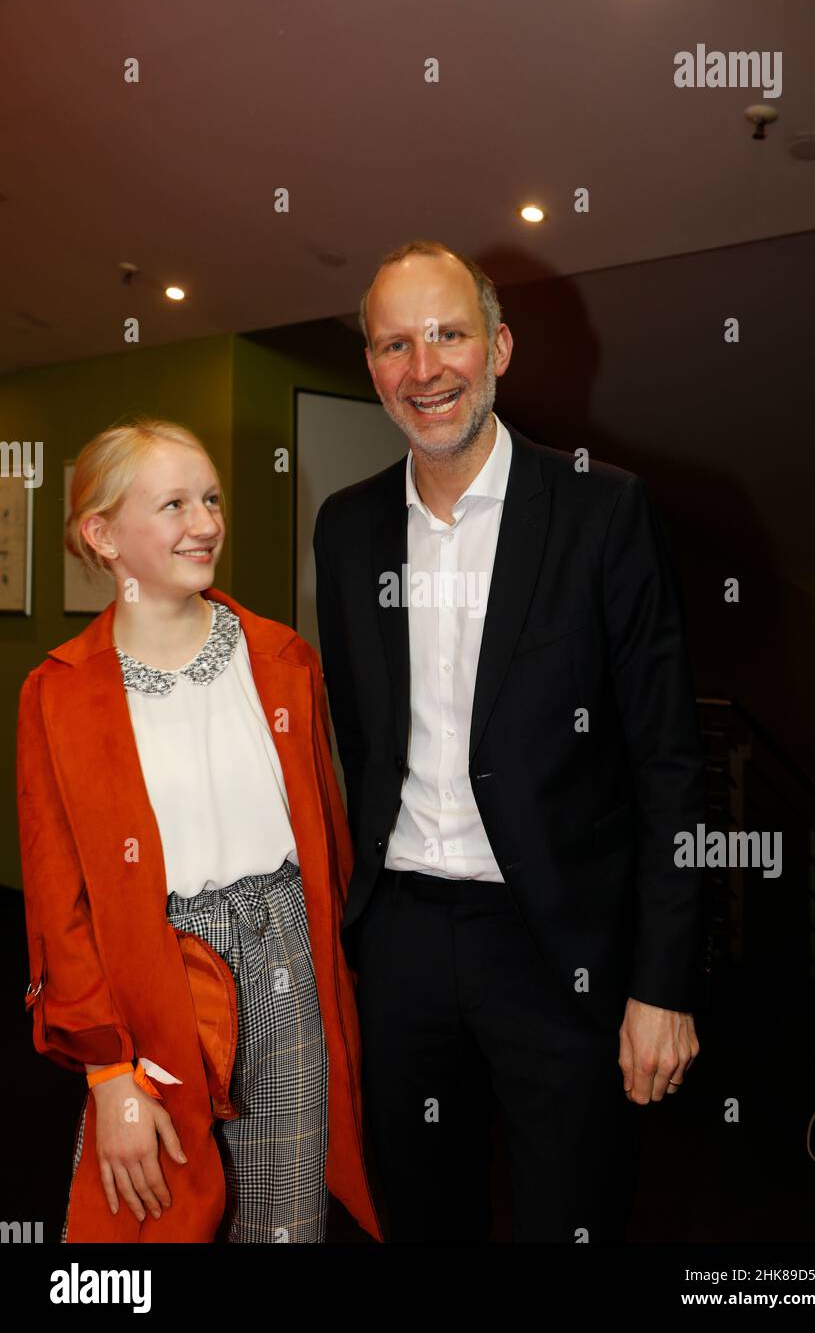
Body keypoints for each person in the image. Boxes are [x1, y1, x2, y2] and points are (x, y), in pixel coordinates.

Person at [313, 240, 710, 1243]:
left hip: (557, 948)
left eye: (448, 333)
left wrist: (659, 983)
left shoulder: (602, 509)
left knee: (568, 1215)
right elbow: (360, 739)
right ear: (371, 368)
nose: (424, 366)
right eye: (394, 343)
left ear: (498, 347)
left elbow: (667, 762)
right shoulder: (346, 528)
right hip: (400, 941)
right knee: (419, 1212)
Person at [17, 418, 382, 1244]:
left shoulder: (283, 656)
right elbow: (59, 904)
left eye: (211, 499)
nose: (208, 523)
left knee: (286, 1222)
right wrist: (109, 1074)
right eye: (175, 504)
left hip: (288, 952)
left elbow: (330, 841)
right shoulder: (59, 695)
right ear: (102, 534)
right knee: (151, 1224)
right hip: (154, 970)